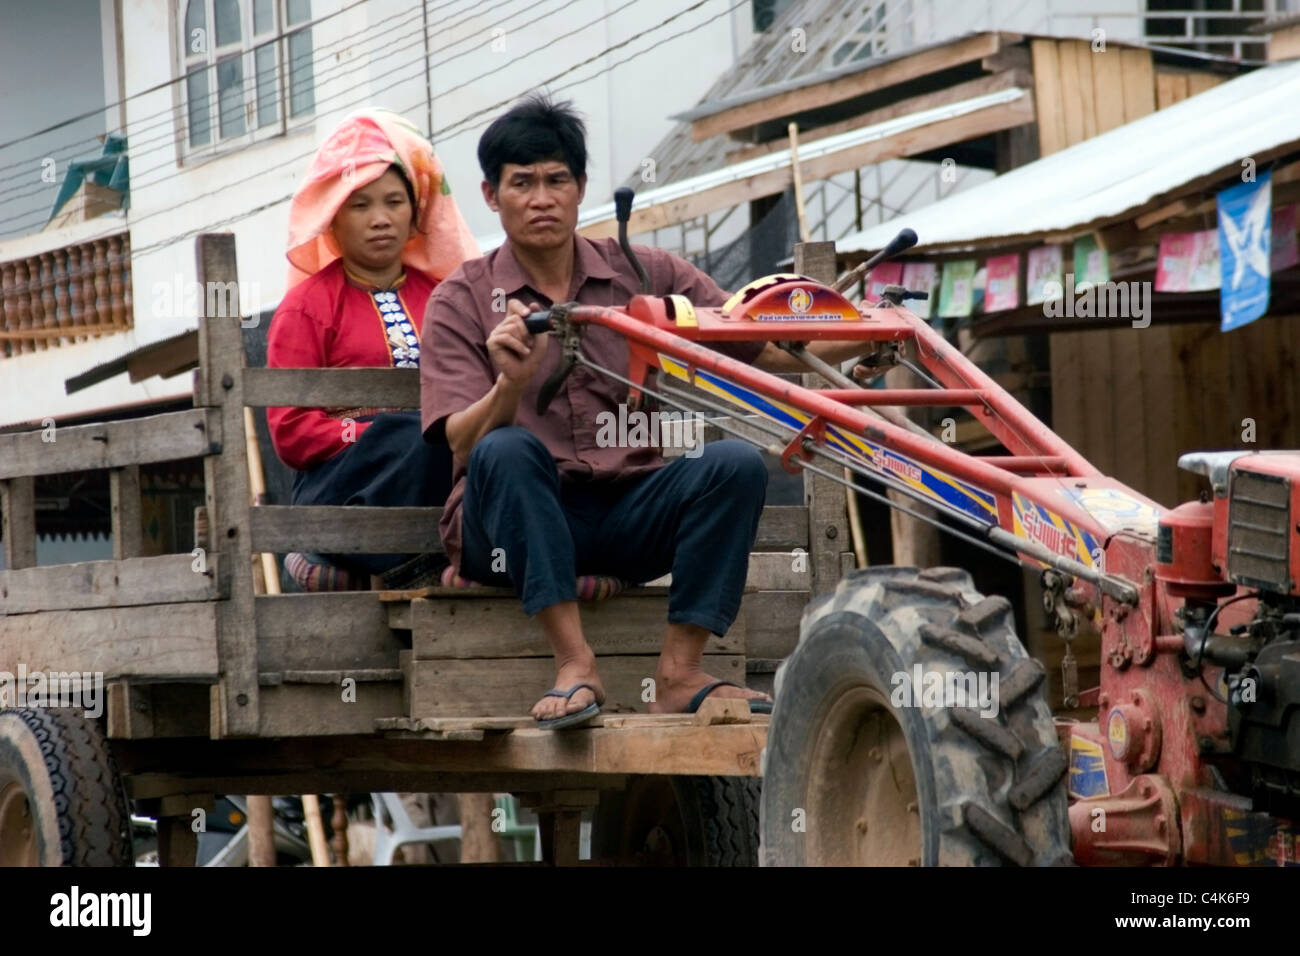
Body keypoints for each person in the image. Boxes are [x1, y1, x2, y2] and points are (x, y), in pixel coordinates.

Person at [420, 93, 869, 727]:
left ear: (580, 190)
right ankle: (575, 665)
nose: (541, 198)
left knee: (734, 464)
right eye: (522, 184)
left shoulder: (646, 273)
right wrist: (509, 387)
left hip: (627, 513)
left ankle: (682, 672)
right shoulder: (461, 299)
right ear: (492, 196)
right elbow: (462, 448)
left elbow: (757, 343)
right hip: (513, 525)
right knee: (505, 449)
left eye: (556, 180)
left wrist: (865, 338)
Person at [267, 108, 479, 588]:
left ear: (415, 215)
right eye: (359, 206)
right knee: (420, 437)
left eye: (393, 202)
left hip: (440, 468)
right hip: (341, 481)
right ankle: (405, 560)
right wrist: (371, 435)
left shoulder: (448, 298)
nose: (380, 219)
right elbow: (291, 432)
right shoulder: (305, 308)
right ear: (333, 220)